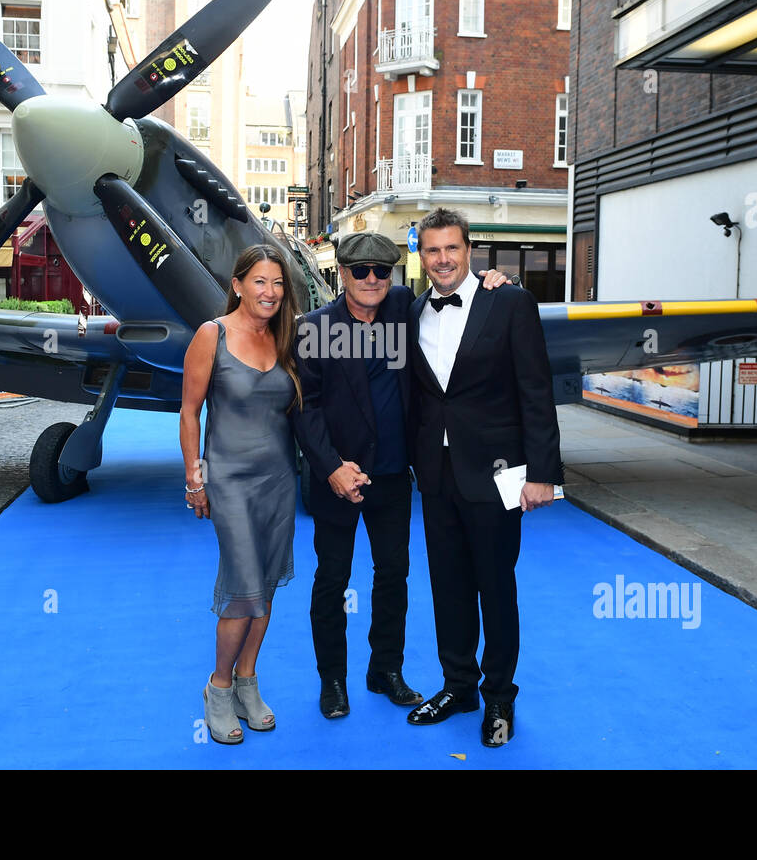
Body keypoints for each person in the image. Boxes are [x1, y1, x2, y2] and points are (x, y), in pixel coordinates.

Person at [293, 232, 509, 720]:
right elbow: (307, 408)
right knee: (332, 580)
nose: (372, 279)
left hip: (392, 475)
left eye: (381, 270)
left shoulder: (402, 309)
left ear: (392, 275)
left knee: (394, 576)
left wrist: (496, 281)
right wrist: (330, 467)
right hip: (338, 480)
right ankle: (332, 680)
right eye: (360, 270)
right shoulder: (314, 329)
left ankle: (385, 669)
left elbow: (460, 297)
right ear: (341, 273)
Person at [406, 208, 561, 748]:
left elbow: (536, 393)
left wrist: (543, 475)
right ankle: (458, 687)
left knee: (495, 589)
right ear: (420, 255)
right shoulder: (412, 311)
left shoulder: (510, 302)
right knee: (448, 587)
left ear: (469, 250)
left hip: (499, 475)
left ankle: (499, 697)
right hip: (436, 474)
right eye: (432, 250)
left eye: (452, 248)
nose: (443, 259)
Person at [180, 242, 302, 745]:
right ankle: (219, 687)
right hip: (228, 481)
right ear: (237, 284)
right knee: (243, 590)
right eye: (259, 281)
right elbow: (189, 412)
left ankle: (249, 681)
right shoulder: (212, 335)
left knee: (267, 585)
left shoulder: (287, 336)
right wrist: (195, 477)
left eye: (277, 283)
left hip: (279, 481)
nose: (270, 292)